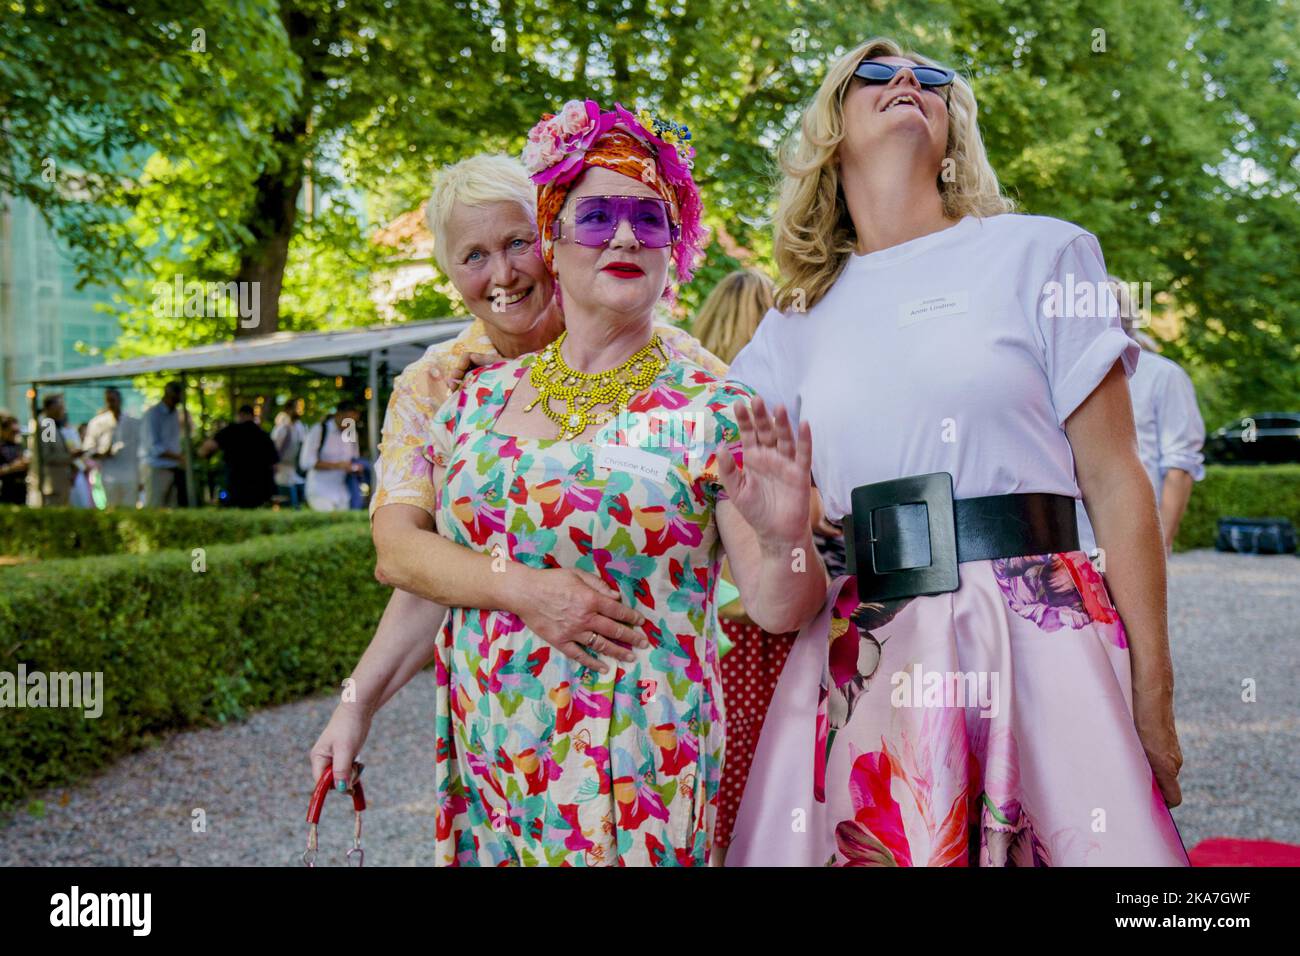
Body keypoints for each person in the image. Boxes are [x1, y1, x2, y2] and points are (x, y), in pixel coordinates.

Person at [314, 102, 828, 866]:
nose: (623, 235)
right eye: (596, 217)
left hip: (636, 776)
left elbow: (779, 606)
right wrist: (354, 709)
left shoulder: (715, 403)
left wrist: (788, 538)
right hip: (493, 761)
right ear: (556, 239)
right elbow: (427, 571)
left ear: (673, 247)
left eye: (649, 219)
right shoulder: (469, 397)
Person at [725, 38, 1188, 866]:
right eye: (876, 72)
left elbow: (1118, 481)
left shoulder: (1043, 253)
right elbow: (772, 603)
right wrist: (780, 535)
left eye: (930, 77)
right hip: (868, 650)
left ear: (951, 124)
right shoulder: (788, 328)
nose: (908, 79)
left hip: (1040, 642)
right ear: (829, 130)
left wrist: (1154, 690)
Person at [1077, 279, 1206, 556]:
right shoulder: (1065, 378)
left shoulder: (1164, 376)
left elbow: (1180, 467)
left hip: (1134, 533)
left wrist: (1161, 544)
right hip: (1073, 541)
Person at [197, 405, 279, 508]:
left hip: (234, 488)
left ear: (240, 415)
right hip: (260, 491)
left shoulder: (230, 431)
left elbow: (205, 450)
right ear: (253, 416)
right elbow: (275, 465)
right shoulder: (263, 435)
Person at [82, 387, 143, 509]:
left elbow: (142, 451)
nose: (111, 403)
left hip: (130, 474)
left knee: (130, 508)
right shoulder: (97, 423)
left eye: (113, 400)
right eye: (108, 400)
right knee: (111, 507)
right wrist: (103, 454)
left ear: (120, 401)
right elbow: (88, 450)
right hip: (109, 475)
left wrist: (141, 478)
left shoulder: (134, 422)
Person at [299, 402, 364, 512]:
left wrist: (356, 468)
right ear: (338, 415)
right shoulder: (319, 430)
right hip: (320, 490)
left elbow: (354, 458)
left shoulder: (351, 434)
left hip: (342, 492)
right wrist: (337, 465)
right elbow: (306, 462)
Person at [27, 394, 78, 507]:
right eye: (60, 406)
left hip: (58, 484)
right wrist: (70, 457)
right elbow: (47, 456)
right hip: (52, 485)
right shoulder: (47, 425)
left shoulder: (50, 424)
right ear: (50, 407)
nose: (63, 410)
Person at [142, 381, 187, 507]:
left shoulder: (174, 413)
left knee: (172, 507)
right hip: (157, 469)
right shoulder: (153, 414)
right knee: (155, 506)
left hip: (173, 468)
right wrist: (179, 457)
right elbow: (154, 447)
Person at [270, 398, 308, 509]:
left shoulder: (299, 427)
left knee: (297, 502)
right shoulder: (282, 427)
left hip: (294, 470)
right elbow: (275, 448)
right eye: (297, 407)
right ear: (289, 409)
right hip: (281, 470)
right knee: (289, 503)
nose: (300, 410)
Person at [0, 412, 30, 505]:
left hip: (21, 489)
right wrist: (11, 468)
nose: (16, 434)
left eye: (17, 431)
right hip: (5, 490)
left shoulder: (18, 446)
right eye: (12, 432)